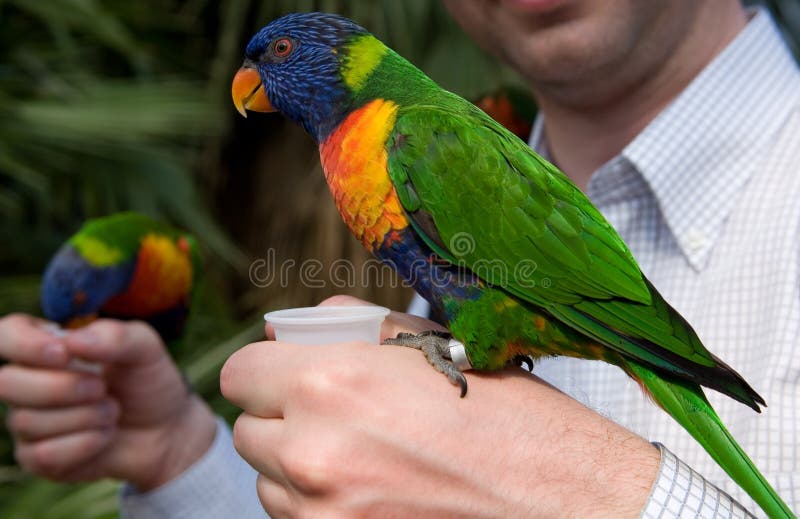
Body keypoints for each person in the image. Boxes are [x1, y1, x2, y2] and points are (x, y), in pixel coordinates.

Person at [1, 0, 798, 517]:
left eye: (275, 53)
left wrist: (590, 494)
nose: (253, 80)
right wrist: (173, 450)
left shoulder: (418, 136)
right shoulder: (425, 158)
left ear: (334, 59)